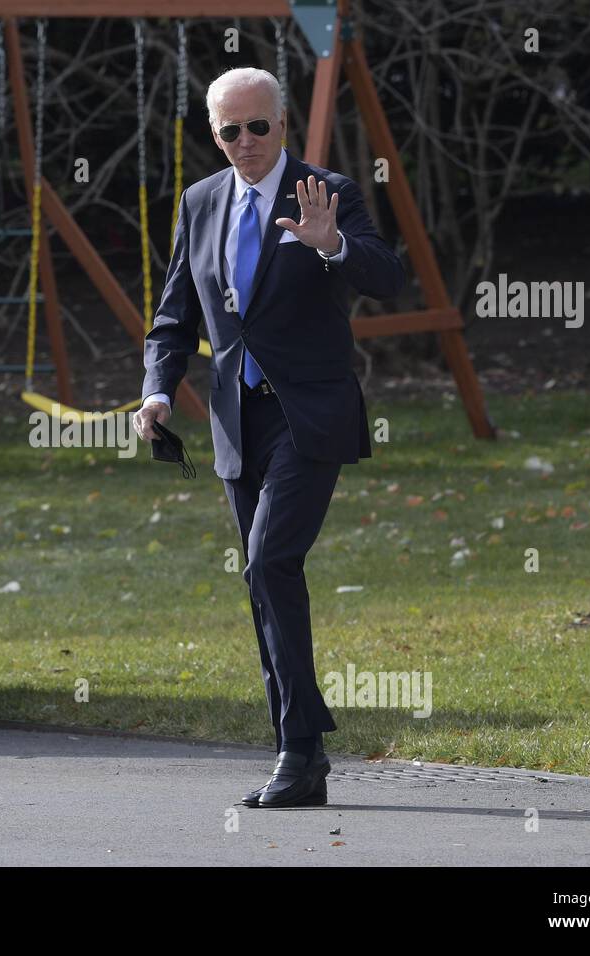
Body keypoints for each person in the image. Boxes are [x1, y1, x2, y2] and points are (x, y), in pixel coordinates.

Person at [133, 66, 405, 808]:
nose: (246, 142)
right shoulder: (201, 201)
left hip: (308, 412)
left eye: (259, 127)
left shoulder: (329, 193)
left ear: (283, 125)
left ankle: (299, 744)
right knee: (261, 581)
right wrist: (158, 388)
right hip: (235, 417)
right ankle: (301, 753)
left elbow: (391, 276)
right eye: (230, 131)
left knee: (269, 559)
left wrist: (332, 245)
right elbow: (173, 314)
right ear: (214, 135)